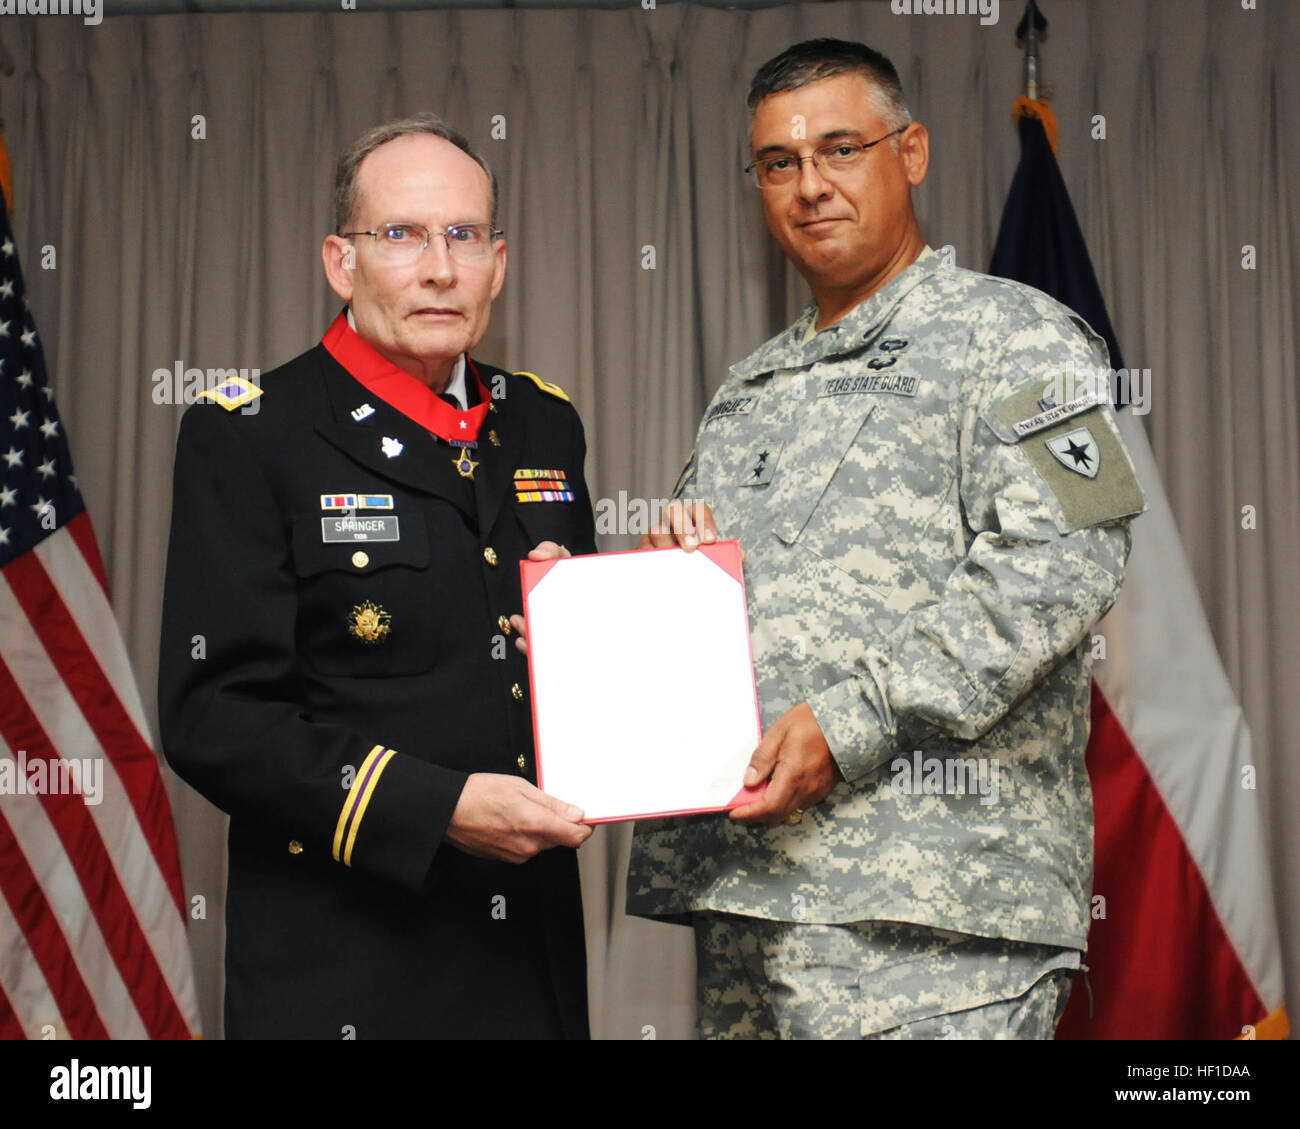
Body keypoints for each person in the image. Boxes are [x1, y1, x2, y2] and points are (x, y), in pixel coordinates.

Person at [623, 39, 1147, 1039]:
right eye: (779, 163)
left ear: (910, 151)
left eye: (838, 150)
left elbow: (1066, 561)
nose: (808, 186)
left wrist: (850, 719)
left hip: (936, 921)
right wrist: (666, 584)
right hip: (748, 900)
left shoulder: (1022, 337)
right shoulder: (747, 388)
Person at [158, 114, 596, 1039]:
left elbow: (574, 697)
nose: (440, 267)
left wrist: (632, 624)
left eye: (464, 235)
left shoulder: (544, 425)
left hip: (530, 964)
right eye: (400, 234)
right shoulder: (252, 432)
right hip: (347, 967)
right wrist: (435, 808)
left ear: (498, 263)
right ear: (340, 262)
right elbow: (214, 718)